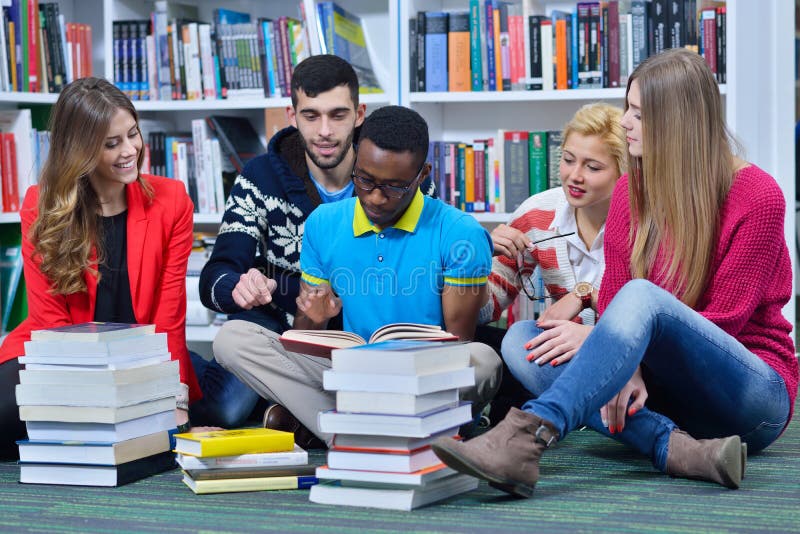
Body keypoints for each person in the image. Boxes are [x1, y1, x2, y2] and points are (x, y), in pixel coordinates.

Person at [432, 48, 798, 496]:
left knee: (640, 300)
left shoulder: (759, 196)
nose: (624, 121)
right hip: (670, 395)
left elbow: (724, 321)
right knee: (521, 341)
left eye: (639, 114)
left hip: (751, 398)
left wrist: (625, 355)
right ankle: (676, 448)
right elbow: (614, 297)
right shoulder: (632, 190)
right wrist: (623, 362)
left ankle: (527, 435)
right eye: (628, 106)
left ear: (678, 123)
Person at [213, 106, 503, 447]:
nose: (376, 198)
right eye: (365, 180)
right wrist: (313, 318)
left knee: (484, 362)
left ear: (422, 175)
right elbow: (305, 338)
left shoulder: (461, 233)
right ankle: (392, 433)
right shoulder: (324, 222)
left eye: (394, 187)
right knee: (232, 339)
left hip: (421, 377)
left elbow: (457, 342)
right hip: (351, 374)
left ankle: (335, 426)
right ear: (355, 164)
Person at [197, 55, 433, 431]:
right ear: (292, 115)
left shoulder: (393, 168)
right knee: (227, 406)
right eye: (311, 116)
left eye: (338, 115)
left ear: (360, 114)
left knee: (480, 356)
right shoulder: (260, 176)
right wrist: (238, 286)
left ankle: (302, 417)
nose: (324, 130)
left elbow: (433, 246)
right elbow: (215, 275)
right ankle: (353, 416)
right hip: (283, 330)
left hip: (374, 331)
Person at [0, 77, 203, 458]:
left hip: (141, 362)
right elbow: (51, 325)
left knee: (212, 410)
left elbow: (169, 317)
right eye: (112, 143)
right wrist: (91, 397)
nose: (130, 151)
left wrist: (174, 399)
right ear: (80, 150)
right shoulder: (40, 206)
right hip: (61, 358)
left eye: (133, 134)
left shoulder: (172, 200)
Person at [481, 102, 626, 373]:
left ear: (623, 173)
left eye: (593, 167)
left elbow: (651, 320)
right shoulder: (537, 214)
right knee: (516, 338)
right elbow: (484, 311)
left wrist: (586, 300)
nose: (574, 176)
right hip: (566, 363)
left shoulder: (644, 226)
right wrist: (477, 257)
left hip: (628, 356)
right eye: (568, 160)